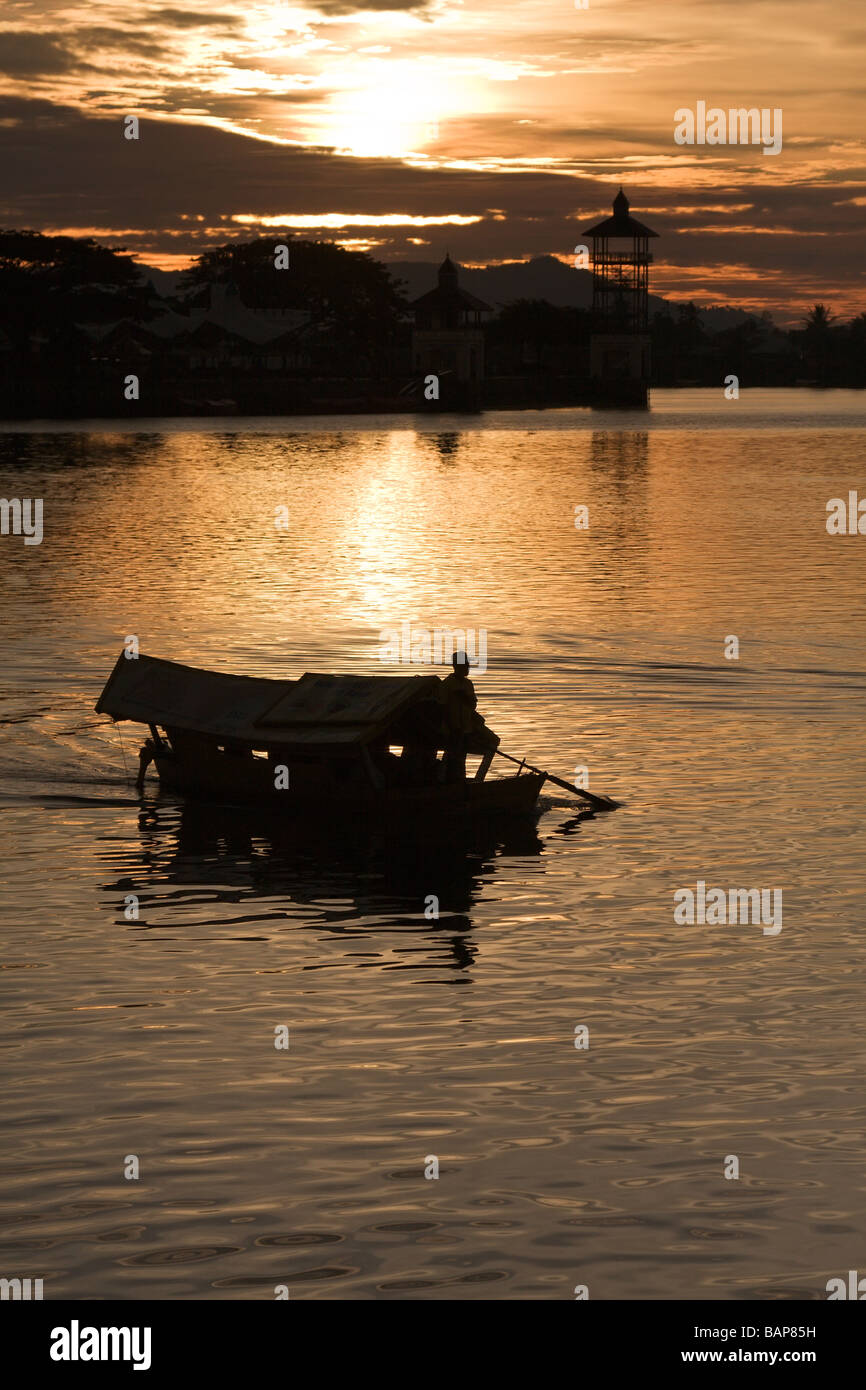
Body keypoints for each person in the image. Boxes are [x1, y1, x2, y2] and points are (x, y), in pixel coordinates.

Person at [437, 651, 497, 783]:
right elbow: (443, 708)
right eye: (465, 664)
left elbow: (472, 705)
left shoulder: (468, 684)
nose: (468, 666)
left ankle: (458, 782)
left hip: (465, 729)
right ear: (457, 666)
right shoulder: (447, 684)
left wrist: (466, 699)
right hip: (451, 731)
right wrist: (452, 728)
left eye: (468, 664)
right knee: (451, 758)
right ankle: (449, 783)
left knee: (460, 758)